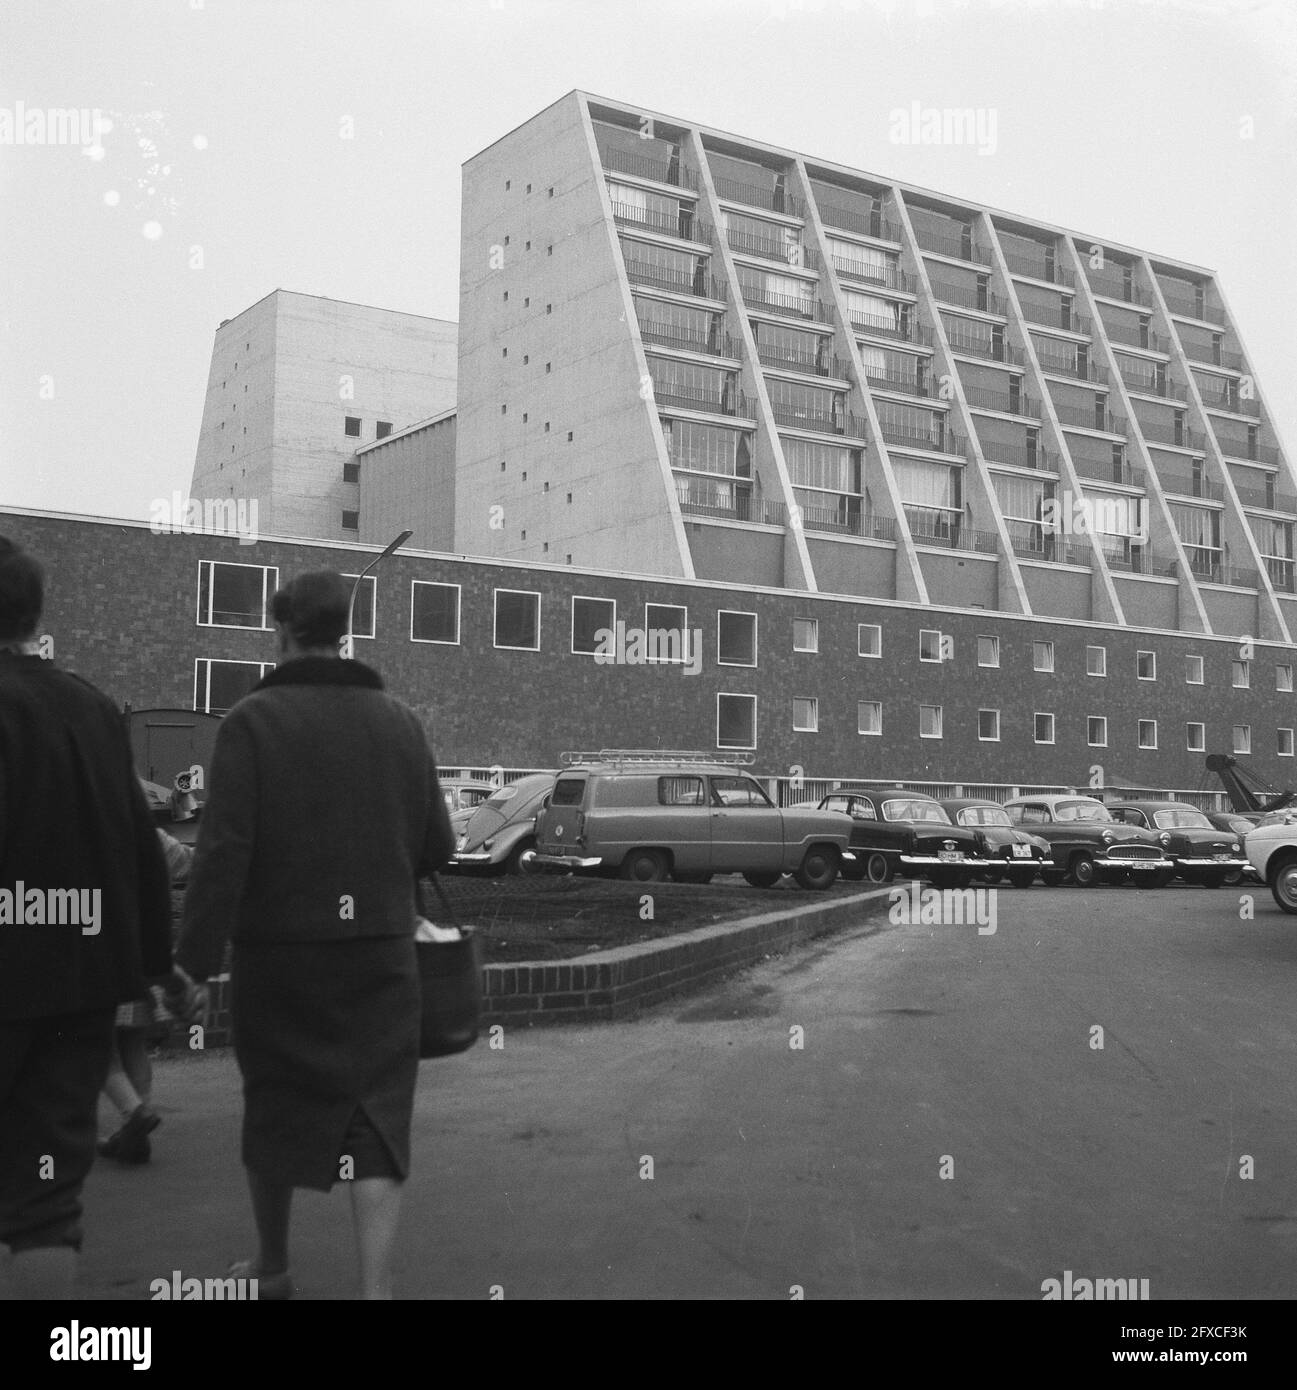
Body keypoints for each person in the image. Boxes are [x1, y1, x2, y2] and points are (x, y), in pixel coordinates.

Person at [176, 570, 454, 1300]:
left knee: (274, 1103)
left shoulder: (251, 723)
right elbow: (440, 846)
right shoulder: (400, 722)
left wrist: (192, 964)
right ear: (342, 631)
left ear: (282, 631)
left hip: (281, 959)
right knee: (378, 1117)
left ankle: (272, 1267)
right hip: (382, 955)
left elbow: (223, 855)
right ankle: (375, 1292)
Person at [0, 536, 200, 1299]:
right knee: (45, 1207)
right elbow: (136, 846)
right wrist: (159, 964)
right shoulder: (87, 705)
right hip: (78, 988)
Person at [98, 829, 196, 1165]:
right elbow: (189, 862)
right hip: (145, 960)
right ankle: (134, 1134)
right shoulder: (156, 839)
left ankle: (134, 1113)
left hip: (105, 960)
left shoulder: (94, 836)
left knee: (100, 1048)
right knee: (134, 1046)